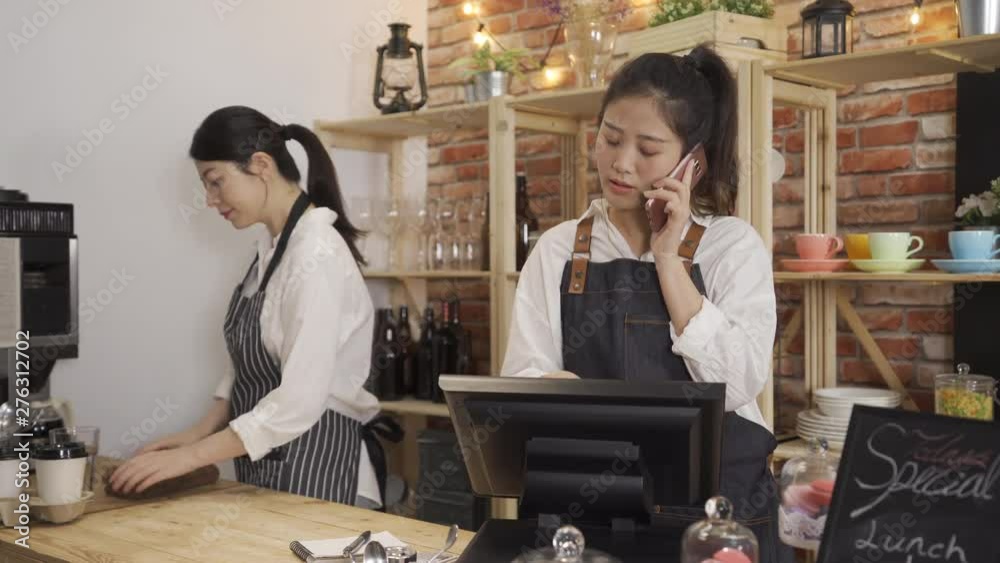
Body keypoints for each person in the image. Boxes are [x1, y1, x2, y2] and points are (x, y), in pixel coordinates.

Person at [501, 46, 793, 562]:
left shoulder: (732, 245)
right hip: (590, 516)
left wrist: (667, 257)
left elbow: (740, 382)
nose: (621, 162)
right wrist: (546, 389)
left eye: (648, 148)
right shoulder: (559, 249)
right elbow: (521, 381)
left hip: (717, 523)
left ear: (692, 161)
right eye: (610, 138)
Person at [110, 106, 399, 509]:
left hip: (321, 466)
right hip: (274, 465)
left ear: (260, 165)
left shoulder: (316, 253)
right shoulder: (270, 249)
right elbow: (248, 361)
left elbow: (300, 399)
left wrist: (190, 458)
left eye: (216, 182)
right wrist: (200, 431)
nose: (210, 200)